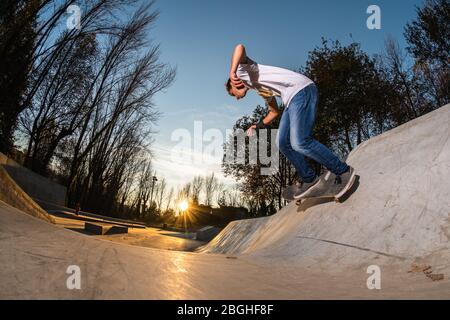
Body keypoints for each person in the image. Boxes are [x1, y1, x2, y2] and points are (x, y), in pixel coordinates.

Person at [226, 44, 355, 199]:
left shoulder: (242, 71)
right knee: (282, 143)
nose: (238, 98)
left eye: (234, 95)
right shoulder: (261, 89)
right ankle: (309, 178)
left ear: (232, 84)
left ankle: (343, 170)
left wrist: (232, 71)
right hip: (291, 100)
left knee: (300, 142)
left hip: (301, 90)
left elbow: (240, 47)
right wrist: (257, 125)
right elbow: (274, 112)